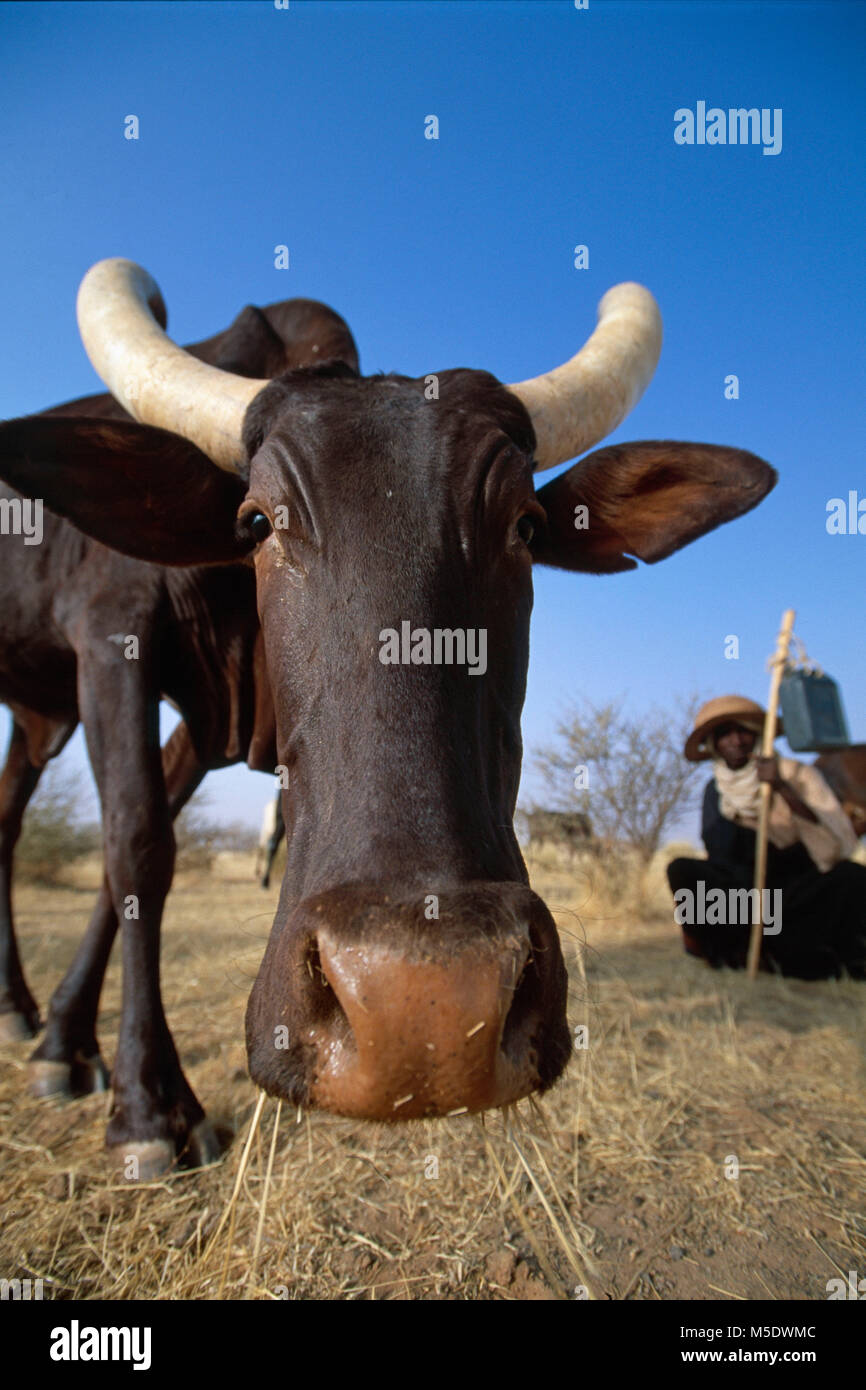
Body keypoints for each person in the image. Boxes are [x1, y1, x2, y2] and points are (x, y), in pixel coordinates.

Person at [667, 696, 866, 978]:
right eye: (725, 734)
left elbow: (832, 849)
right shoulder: (715, 790)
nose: (736, 741)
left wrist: (782, 789)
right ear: (714, 744)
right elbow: (718, 854)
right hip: (743, 899)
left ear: (759, 735)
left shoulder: (798, 775)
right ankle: (726, 950)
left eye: (743, 731)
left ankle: (795, 955)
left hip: (794, 893)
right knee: (683, 870)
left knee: (852, 878)